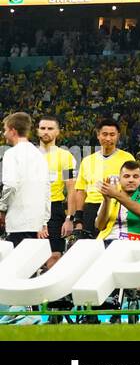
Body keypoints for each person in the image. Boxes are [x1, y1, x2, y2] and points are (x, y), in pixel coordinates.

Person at [69, 119, 132, 239]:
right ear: (98, 135)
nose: (108, 138)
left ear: (118, 136)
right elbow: (81, 191)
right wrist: (78, 219)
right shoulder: (87, 161)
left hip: (116, 208)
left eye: (112, 134)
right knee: (89, 251)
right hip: (91, 208)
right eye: (104, 134)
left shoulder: (127, 159)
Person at [1, 112, 51, 245]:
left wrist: (2, 208)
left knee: (15, 264)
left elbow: (10, 185)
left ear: (13, 131)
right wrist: (44, 221)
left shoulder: (11, 154)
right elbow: (47, 191)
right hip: (36, 223)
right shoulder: (40, 155)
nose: (4, 133)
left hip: (18, 223)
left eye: (5, 130)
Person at [36, 114, 75, 271]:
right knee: (29, 256)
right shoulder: (29, 155)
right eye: (43, 128)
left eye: (50, 128)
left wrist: (69, 218)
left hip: (54, 209)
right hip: (30, 209)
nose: (46, 131)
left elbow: (71, 189)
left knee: (54, 255)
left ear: (58, 132)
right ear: (37, 131)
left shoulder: (65, 157)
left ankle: (50, 295)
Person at [94, 159, 140, 241]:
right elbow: (99, 226)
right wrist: (106, 201)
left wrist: (116, 194)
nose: (131, 180)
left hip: (134, 245)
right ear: (119, 179)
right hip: (107, 242)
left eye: (135, 176)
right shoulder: (110, 199)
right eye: (126, 176)